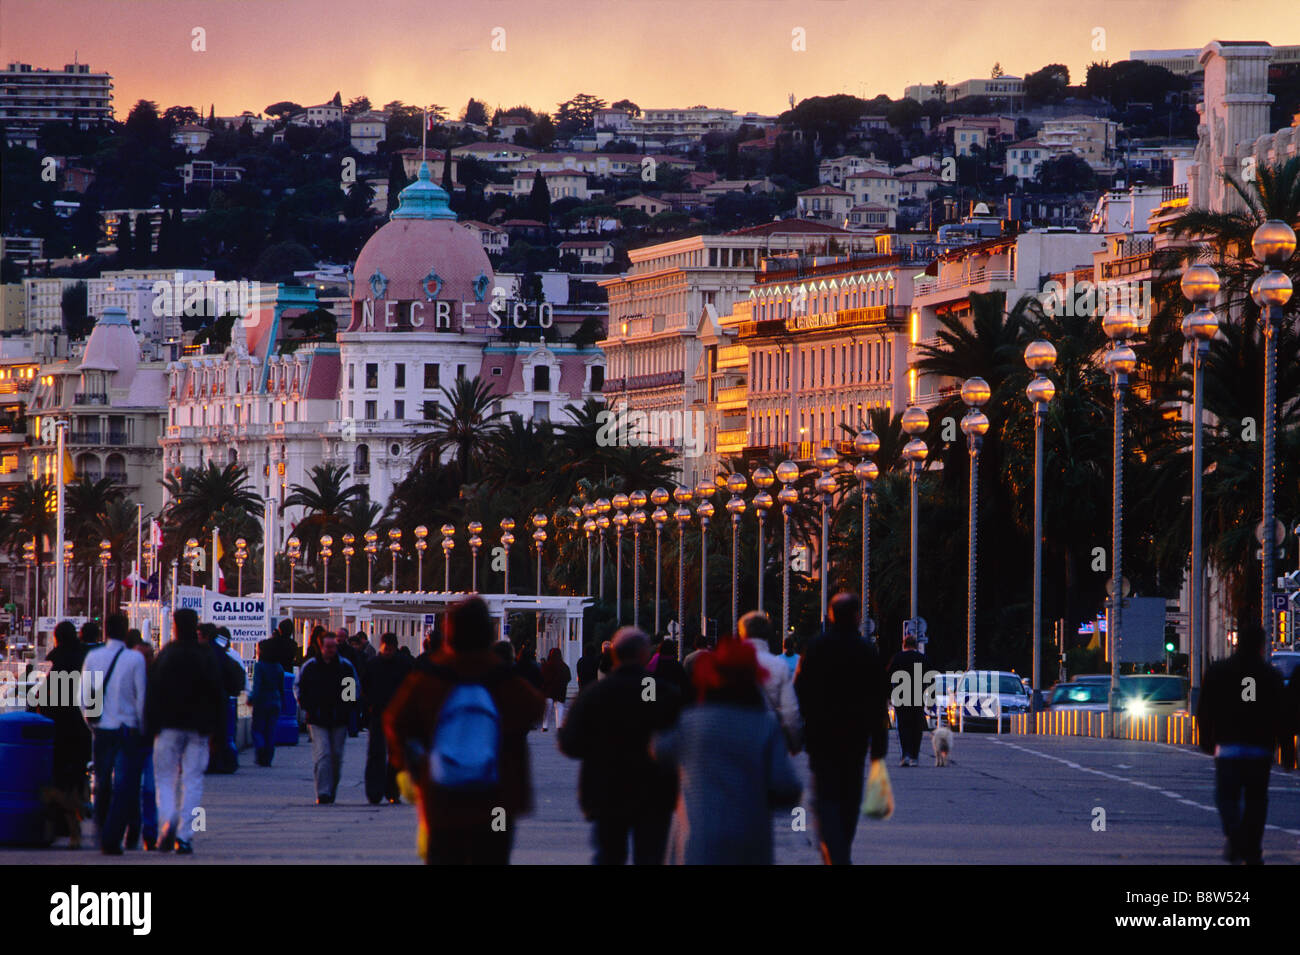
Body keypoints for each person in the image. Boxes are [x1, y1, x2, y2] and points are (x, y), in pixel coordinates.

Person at [386, 596, 544, 864]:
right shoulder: (504, 679)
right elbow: (534, 709)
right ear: (487, 633)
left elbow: (395, 720)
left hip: (444, 798)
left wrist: (411, 767)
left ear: (450, 633)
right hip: (497, 799)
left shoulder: (430, 679)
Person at [653, 637, 802, 864]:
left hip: (698, 842)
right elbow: (786, 786)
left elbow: (658, 751)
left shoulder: (691, 722)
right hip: (749, 844)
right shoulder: (765, 725)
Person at [558, 627, 682, 865]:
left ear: (613, 654)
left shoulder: (595, 693)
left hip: (606, 791)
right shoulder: (659, 690)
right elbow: (679, 737)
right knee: (650, 855)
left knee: (609, 855)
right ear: (644, 654)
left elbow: (570, 743)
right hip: (653, 791)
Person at [794, 592, 889, 865]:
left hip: (821, 737)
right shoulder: (867, 651)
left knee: (826, 799)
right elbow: (878, 701)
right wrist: (879, 745)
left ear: (831, 615)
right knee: (849, 800)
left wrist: (801, 727)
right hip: (855, 739)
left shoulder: (815, 648)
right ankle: (840, 850)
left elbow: (799, 690)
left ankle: (834, 850)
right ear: (858, 617)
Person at [1196, 623, 1291, 865]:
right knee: (1256, 801)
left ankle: (1236, 835)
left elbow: (1205, 709)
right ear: (1261, 646)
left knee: (1226, 796)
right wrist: (1288, 750)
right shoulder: (1271, 675)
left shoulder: (1219, 671)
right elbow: (1283, 715)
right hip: (1260, 749)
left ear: (1237, 642)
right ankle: (1252, 848)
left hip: (1228, 747)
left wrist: (1206, 738)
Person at [147, 608, 226, 854]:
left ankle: (168, 820)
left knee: (165, 778)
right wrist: (218, 733)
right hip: (199, 729)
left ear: (175, 625)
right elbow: (217, 695)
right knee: (193, 780)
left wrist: (151, 726)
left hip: (168, 726)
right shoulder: (206, 655)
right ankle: (185, 835)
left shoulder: (166, 654)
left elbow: (152, 691)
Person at [79, 612, 148, 855]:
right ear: (126, 629)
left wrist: (91, 724)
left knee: (102, 784)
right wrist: (142, 728)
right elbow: (141, 698)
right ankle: (113, 835)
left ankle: (100, 830)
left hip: (101, 731)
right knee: (125, 785)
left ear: (105, 630)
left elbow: (84, 697)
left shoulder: (94, 657)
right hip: (127, 729)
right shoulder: (135, 659)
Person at [40, 622, 91, 849]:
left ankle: (69, 826)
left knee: (59, 782)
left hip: (60, 731)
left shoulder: (58, 665)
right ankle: (77, 818)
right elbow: (93, 700)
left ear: (57, 638)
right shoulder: (85, 661)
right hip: (82, 731)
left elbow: (46, 702)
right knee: (76, 778)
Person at [296, 632, 359, 804]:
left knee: (336, 756)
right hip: (317, 718)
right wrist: (307, 707)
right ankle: (323, 792)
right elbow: (300, 688)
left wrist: (348, 711)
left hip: (339, 718)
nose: (331, 650)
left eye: (333, 647)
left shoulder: (345, 666)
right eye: (328, 646)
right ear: (321, 647)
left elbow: (351, 691)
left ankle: (332, 789)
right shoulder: (311, 667)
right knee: (323, 753)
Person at [738, 612, 801, 752]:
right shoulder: (778, 665)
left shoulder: (731, 663)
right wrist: (794, 742)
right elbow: (790, 712)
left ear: (743, 633)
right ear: (767, 634)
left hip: (738, 735)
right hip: (769, 735)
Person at [362, 633, 412, 804]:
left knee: (393, 755)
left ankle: (390, 791)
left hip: (396, 716)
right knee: (379, 753)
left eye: (390, 649)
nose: (388, 652)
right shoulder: (375, 665)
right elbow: (361, 687)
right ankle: (378, 792)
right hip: (379, 714)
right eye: (386, 649)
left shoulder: (403, 664)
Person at [124, 638, 157, 851]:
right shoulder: (126, 679)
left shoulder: (159, 679)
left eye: (146, 656)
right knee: (130, 788)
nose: (142, 660)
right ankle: (133, 828)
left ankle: (150, 834)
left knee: (150, 790)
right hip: (129, 738)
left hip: (152, 741)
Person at [203, 626, 245, 774]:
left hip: (211, 700)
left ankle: (215, 763)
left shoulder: (208, 654)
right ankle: (225, 762)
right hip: (225, 699)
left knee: (213, 734)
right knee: (225, 733)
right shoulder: (227, 655)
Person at [888, 634, 928, 766]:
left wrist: (888, 695)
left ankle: (905, 754)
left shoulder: (898, 658)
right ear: (916, 645)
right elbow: (931, 676)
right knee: (916, 727)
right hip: (917, 696)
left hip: (901, 696)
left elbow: (888, 676)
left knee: (903, 726)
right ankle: (914, 756)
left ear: (904, 645)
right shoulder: (922, 658)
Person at [249, 638, 285, 767]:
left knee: (257, 730)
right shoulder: (278, 666)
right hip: (275, 701)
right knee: (270, 731)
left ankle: (260, 749)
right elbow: (281, 687)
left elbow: (257, 685)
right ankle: (268, 757)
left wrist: (252, 698)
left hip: (262, 701)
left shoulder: (259, 666)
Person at [538, 647, 571, 732]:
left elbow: (541, 678)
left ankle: (545, 726)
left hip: (548, 690)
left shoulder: (546, 666)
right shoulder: (564, 666)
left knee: (547, 707)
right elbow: (568, 677)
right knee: (559, 706)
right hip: (560, 690)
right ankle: (559, 725)